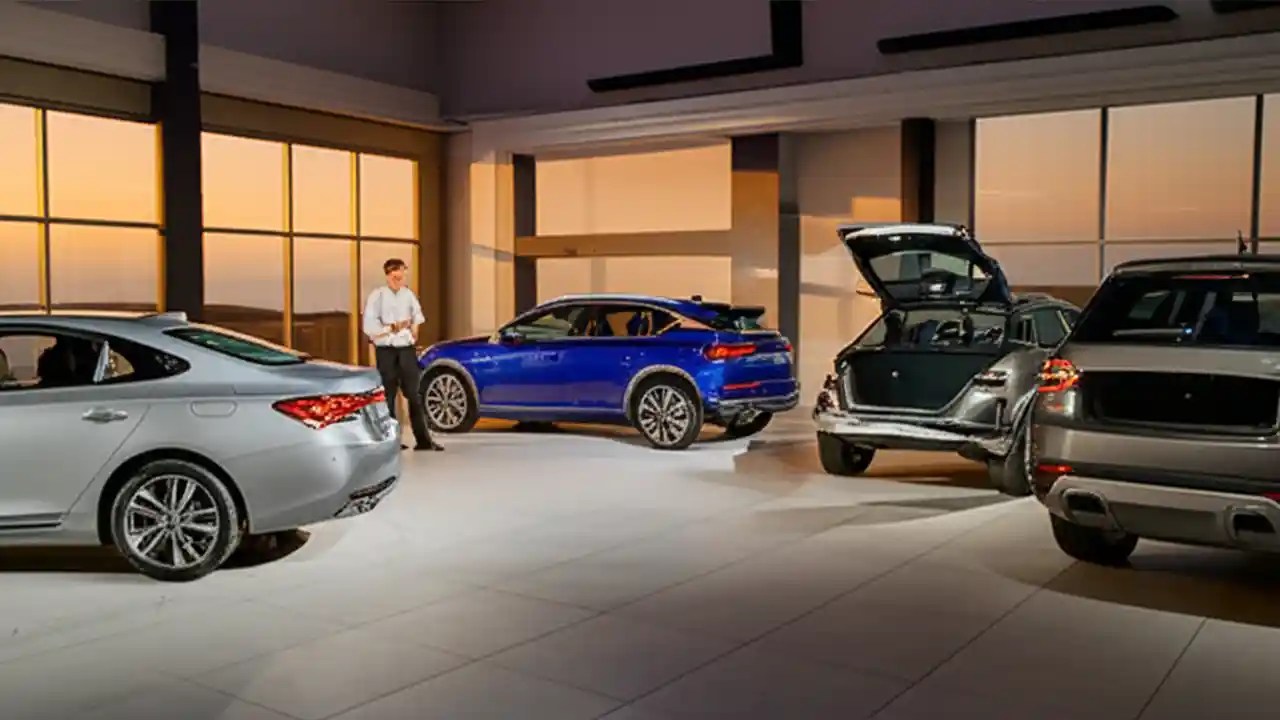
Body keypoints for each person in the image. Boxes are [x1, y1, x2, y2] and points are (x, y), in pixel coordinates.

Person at [362, 258, 442, 451]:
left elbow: (417, 317)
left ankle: (424, 440)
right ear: (388, 275)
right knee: (388, 395)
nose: (398, 279)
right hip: (386, 350)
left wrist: (413, 330)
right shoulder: (377, 296)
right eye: (394, 276)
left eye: (401, 275)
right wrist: (393, 327)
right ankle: (392, 441)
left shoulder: (408, 295)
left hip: (406, 349)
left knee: (414, 394)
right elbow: (369, 327)